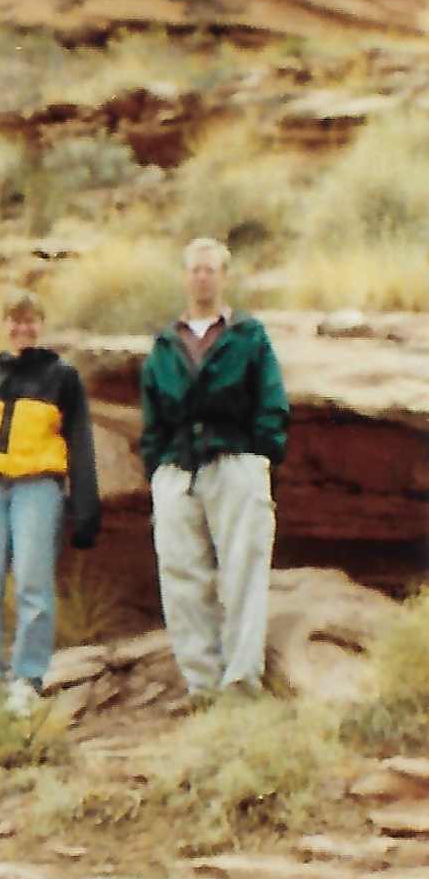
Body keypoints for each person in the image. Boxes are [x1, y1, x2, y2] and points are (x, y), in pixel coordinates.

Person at [140, 236, 288, 701]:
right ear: (185, 277)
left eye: (210, 269)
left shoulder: (249, 335)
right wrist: (158, 469)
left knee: (244, 570)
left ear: (223, 276)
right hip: (177, 470)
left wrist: (258, 455)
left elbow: (271, 400)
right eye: (195, 269)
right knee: (182, 577)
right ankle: (201, 684)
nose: (202, 277)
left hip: (235, 461)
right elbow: (152, 416)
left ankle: (242, 680)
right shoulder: (165, 345)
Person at [0, 290, 100, 714]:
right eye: (14, 319)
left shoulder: (61, 377)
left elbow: (81, 443)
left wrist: (85, 510)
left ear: (42, 324)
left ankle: (27, 681)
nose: (22, 328)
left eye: (31, 320)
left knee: (32, 586)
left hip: (38, 489)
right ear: (4, 325)